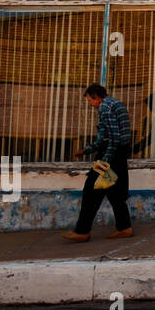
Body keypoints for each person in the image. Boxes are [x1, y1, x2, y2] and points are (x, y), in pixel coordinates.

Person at [61, 84, 134, 242]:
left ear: (96, 97)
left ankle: (82, 231)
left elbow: (112, 138)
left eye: (89, 100)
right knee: (113, 193)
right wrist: (87, 150)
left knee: (90, 191)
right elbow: (109, 137)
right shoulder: (116, 104)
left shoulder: (105, 108)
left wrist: (105, 162)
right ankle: (124, 227)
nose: (89, 104)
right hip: (119, 154)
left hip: (110, 155)